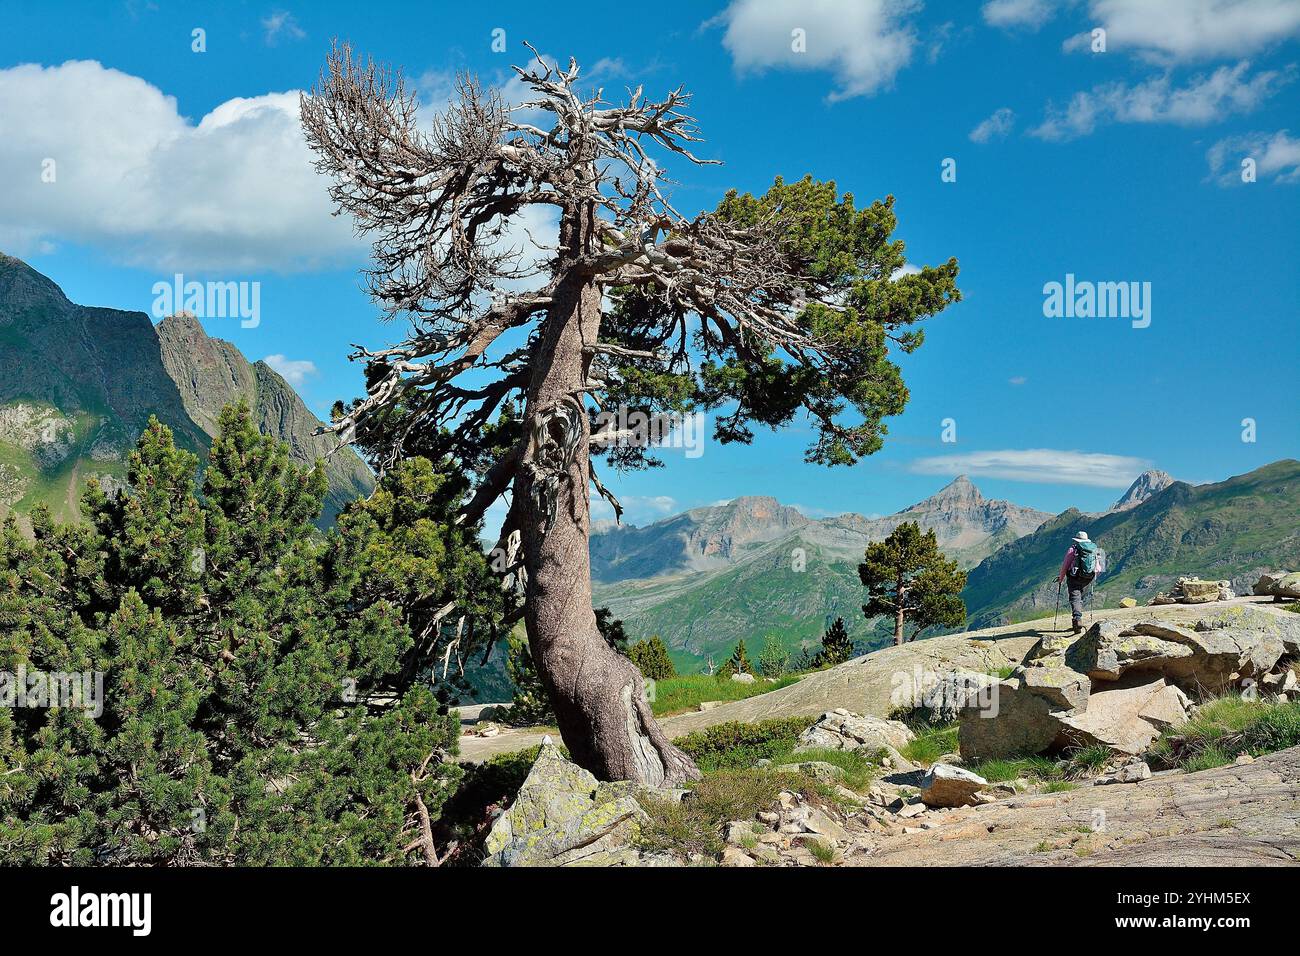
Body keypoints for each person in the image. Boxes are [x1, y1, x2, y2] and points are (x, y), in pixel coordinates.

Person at [1057, 531, 1101, 634]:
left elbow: (1065, 565)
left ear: (1076, 540)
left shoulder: (1073, 549)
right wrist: (1093, 576)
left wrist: (1061, 578)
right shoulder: (1094, 549)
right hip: (1088, 577)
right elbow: (1098, 567)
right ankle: (1078, 618)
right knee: (1080, 596)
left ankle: (1077, 619)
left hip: (1075, 577)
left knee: (1075, 597)